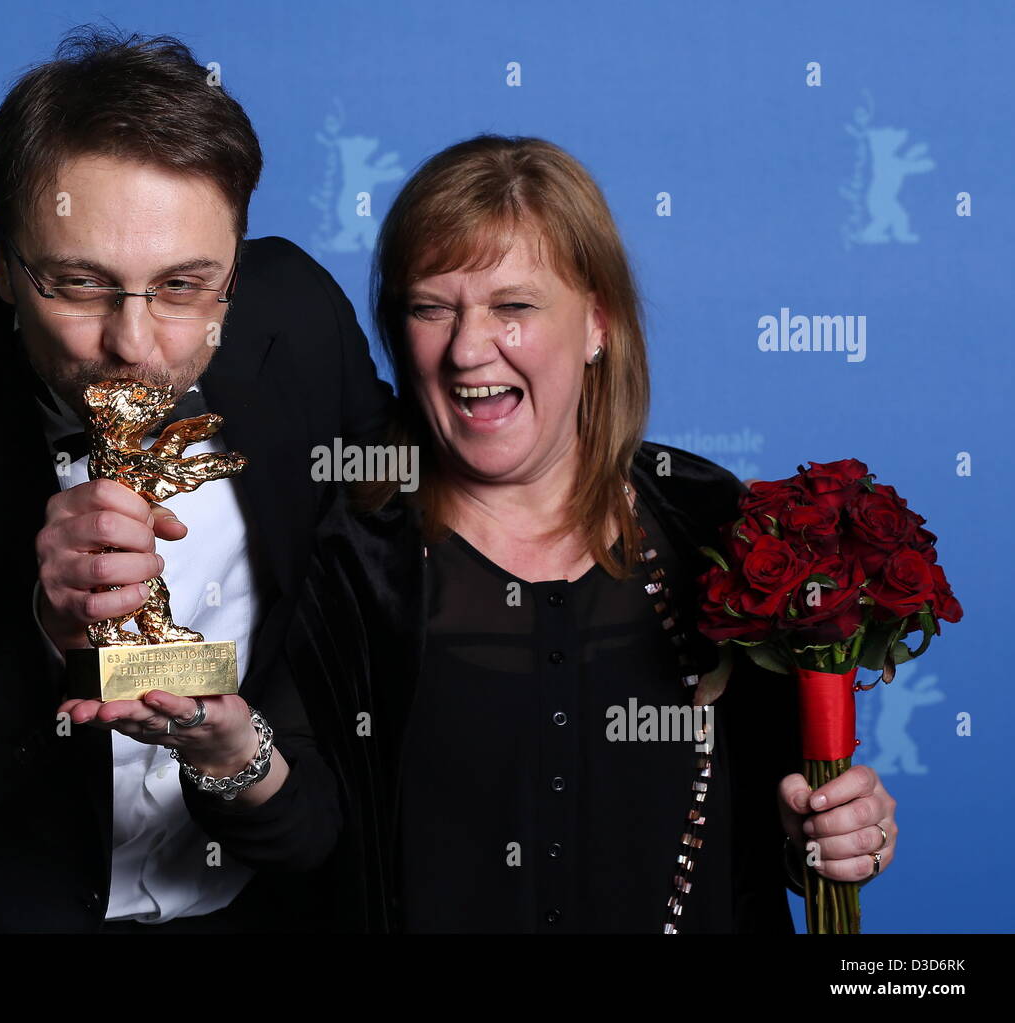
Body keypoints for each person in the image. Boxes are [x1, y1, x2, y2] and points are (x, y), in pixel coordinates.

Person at [187, 135, 899, 932]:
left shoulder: (709, 520)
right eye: (431, 308)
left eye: (513, 307)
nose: (467, 349)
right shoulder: (349, 548)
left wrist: (837, 833)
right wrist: (229, 758)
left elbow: (772, 823)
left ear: (597, 322)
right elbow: (302, 840)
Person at [0, 27, 391, 933]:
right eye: (80, 283)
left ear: (237, 259)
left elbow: (393, 528)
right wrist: (42, 631)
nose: (133, 344)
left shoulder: (297, 316)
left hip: (259, 901)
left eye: (184, 286)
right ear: (2, 260)